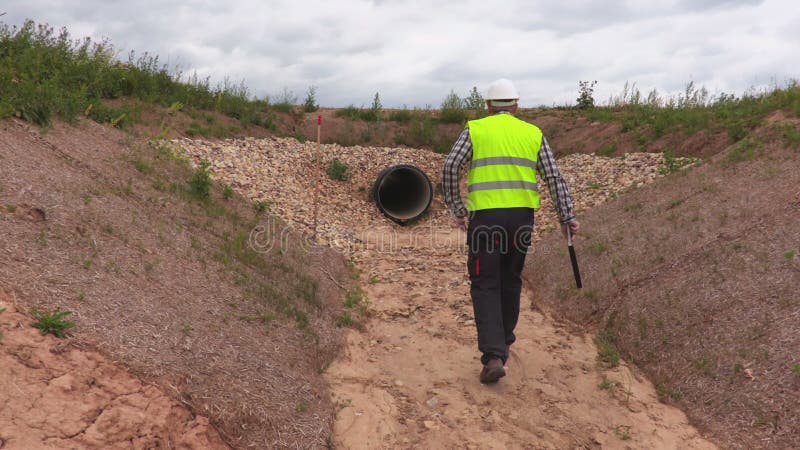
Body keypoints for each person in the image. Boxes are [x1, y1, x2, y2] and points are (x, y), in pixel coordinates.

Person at [441, 78, 579, 384]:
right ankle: (502, 345)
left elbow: (451, 167)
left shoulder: (476, 130)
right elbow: (554, 177)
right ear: (516, 106)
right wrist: (566, 216)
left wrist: (457, 209)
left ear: (488, 107)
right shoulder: (533, 133)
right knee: (510, 280)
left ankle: (493, 356)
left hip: (487, 219)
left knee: (485, 281)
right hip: (521, 220)